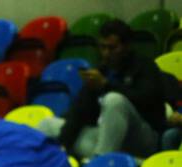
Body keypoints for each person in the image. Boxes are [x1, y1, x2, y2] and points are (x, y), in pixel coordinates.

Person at [39, 19, 171, 159]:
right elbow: (79, 113)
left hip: (142, 140)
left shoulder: (144, 66)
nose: (106, 53)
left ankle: (101, 166)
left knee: (113, 100)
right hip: (107, 138)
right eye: (102, 47)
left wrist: (106, 86)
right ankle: (44, 165)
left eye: (112, 48)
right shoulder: (101, 71)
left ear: (126, 46)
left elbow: (147, 100)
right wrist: (62, 146)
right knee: (47, 124)